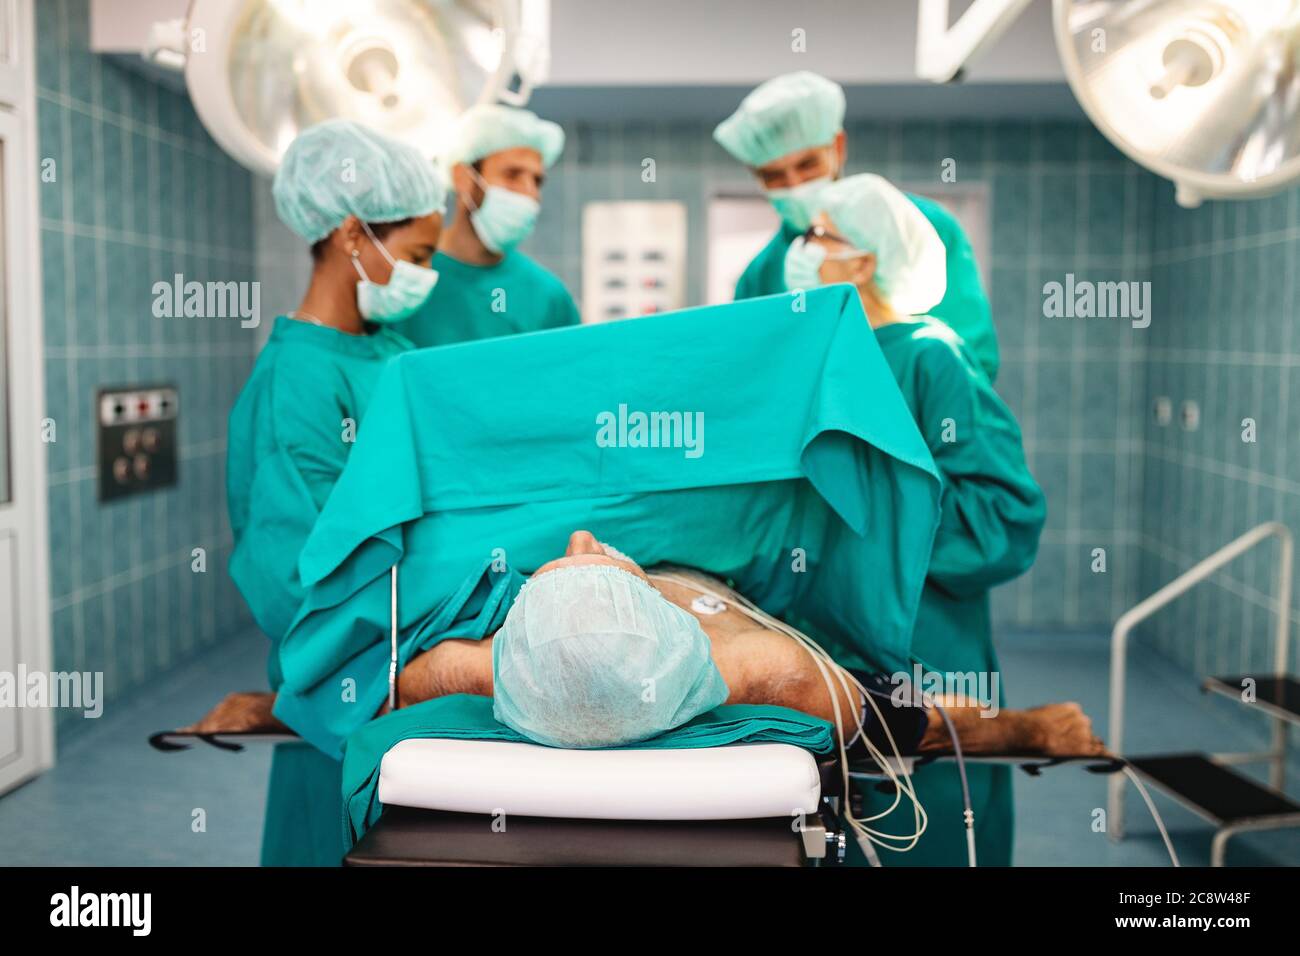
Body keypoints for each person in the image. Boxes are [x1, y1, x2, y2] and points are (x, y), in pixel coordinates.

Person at [193, 530, 1100, 765]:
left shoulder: (456, 669)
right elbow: (905, 724)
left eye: (578, 562)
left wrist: (272, 705)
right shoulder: (758, 669)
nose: (582, 541)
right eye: (575, 562)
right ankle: (1033, 726)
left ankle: (1031, 727)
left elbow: (355, 690)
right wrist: (998, 726)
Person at [784, 172, 1047, 866]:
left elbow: (1004, 519)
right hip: (833, 640)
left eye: (817, 236)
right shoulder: (827, 360)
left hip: (928, 646)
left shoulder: (932, 356)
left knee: (929, 831)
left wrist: (878, 522)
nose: (800, 250)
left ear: (865, 259)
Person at [223, 119, 446, 866]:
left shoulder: (396, 353)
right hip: (342, 685)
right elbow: (297, 576)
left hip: (410, 654)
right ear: (354, 234)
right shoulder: (297, 381)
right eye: (416, 256)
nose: (424, 275)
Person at [713, 71, 1000, 382]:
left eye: (807, 165)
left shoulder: (920, 228)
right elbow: (751, 381)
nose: (794, 185)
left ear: (837, 147)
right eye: (774, 176)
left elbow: (969, 368)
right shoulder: (759, 278)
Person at [395, 104, 580, 348]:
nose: (530, 193)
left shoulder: (548, 296)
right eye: (512, 175)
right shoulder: (407, 283)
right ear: (463, 177)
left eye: (537, 181)